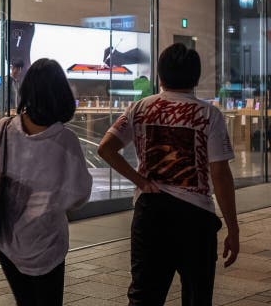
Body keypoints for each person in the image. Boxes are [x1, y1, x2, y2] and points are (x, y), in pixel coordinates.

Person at [98, 43, 239, 306]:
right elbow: (220, 174)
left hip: (150, 214)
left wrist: (140, 181)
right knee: (197, 296)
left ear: (160, 76)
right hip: (196, 218)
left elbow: (105, 148)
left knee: (144, 297)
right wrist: (233, 228)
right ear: (196, 78)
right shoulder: (209, 114)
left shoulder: (139, 108)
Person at [0, 59, 92, 306]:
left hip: (7, 238)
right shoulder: (65, 140)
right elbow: (80, 193)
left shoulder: (4, 129)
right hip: (47, 240)